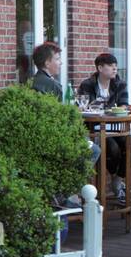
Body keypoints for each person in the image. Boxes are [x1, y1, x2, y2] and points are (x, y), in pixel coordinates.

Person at [30, 42, 102, 171]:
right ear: (47, 63)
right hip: (54, 136)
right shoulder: (53, 85)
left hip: (36, 134)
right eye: (57, 59)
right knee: (94, 149)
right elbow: (59, 116)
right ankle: (74, 183)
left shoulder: (31, 81)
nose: (60, 63)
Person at [77, 53, 131, 203]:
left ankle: (118, 178)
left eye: (115, 65)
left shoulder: (120, 84)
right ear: (100, 68)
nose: (114, 68)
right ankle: (114, 183)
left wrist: (110, 109)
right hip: (96, 128)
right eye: (110, 65)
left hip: (118, 126)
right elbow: (84, 107)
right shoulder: (87, 84)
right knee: (113, 149)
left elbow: (124, 105)